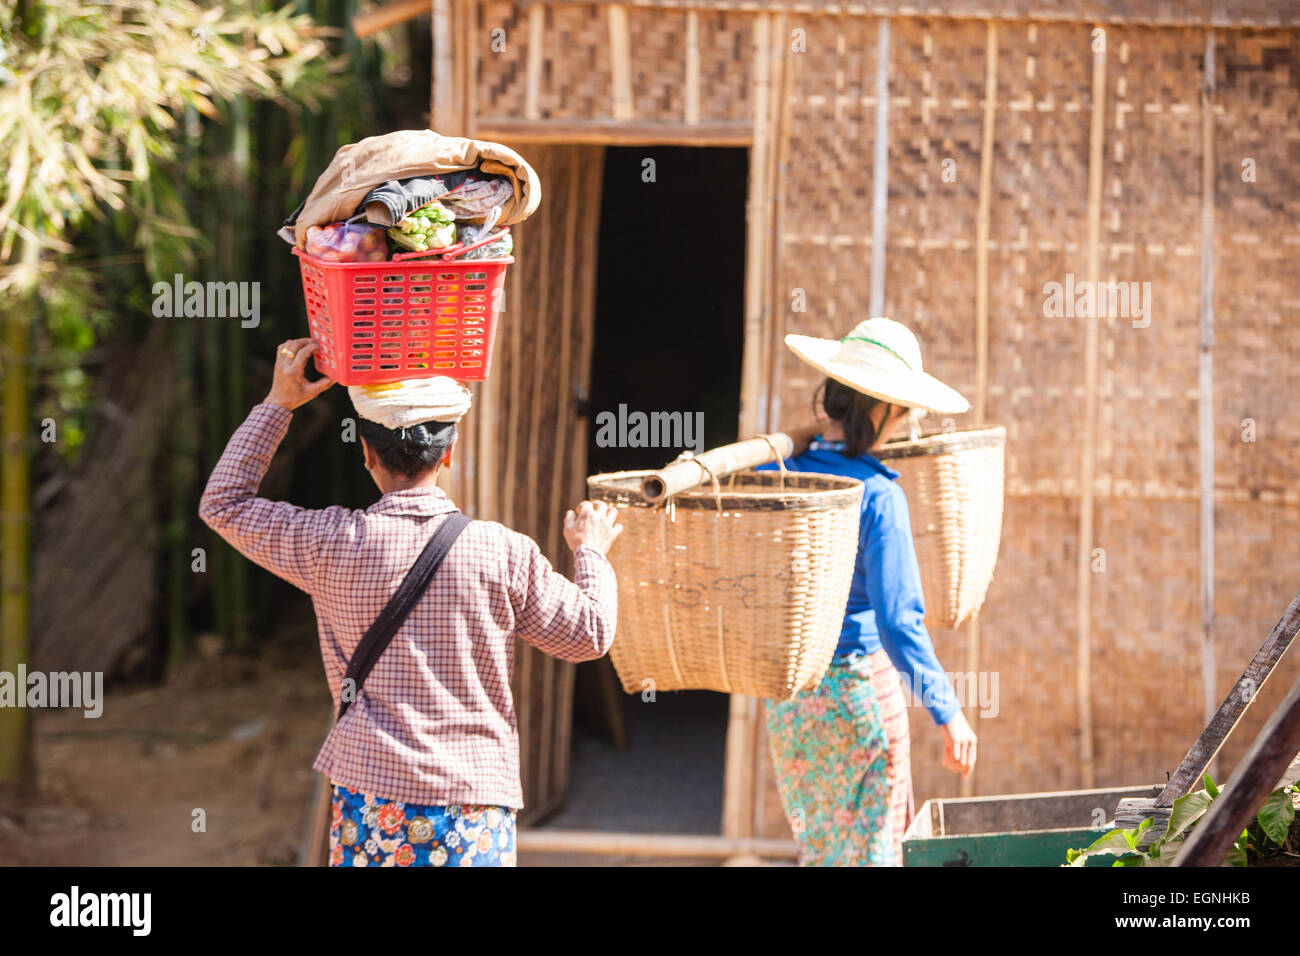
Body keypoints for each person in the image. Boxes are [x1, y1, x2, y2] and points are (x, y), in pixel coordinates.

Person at [199, 338, 623, 867]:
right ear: (448, 452)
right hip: (472, 811)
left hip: (371, 806)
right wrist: (590, 552)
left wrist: (278, 404)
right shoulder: (503, 552)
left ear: (366, 452)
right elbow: (591, 635)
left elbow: (224, 503)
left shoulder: (330, 542)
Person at [759, 317, 978, 866]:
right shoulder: (878, 495)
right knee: (873, 854)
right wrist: (948, 710)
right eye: (903, 413)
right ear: (881, 411)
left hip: (790, 703)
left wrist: (801, 437)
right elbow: (899, 620)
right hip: (858, 697)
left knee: (823, 854)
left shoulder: (775, 474)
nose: (904, 425)